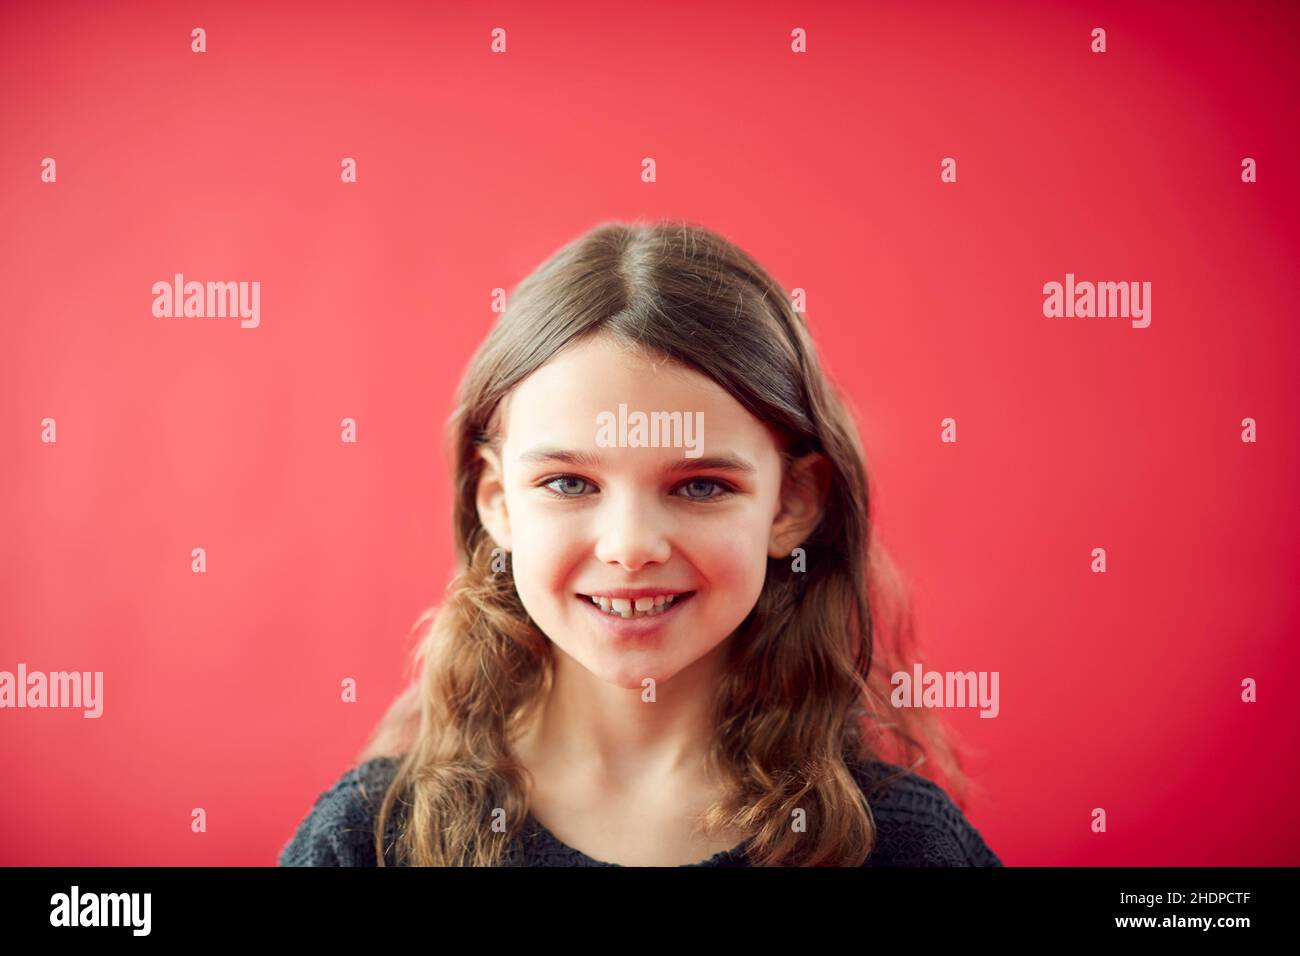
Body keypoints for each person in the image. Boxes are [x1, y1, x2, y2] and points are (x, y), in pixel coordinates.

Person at [279, 219, 1002, 867]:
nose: (629, 548)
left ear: (793, 504)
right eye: (568, 484)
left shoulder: (900, 848)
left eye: (699, 486)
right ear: (496, 501)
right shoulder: (369, 842)